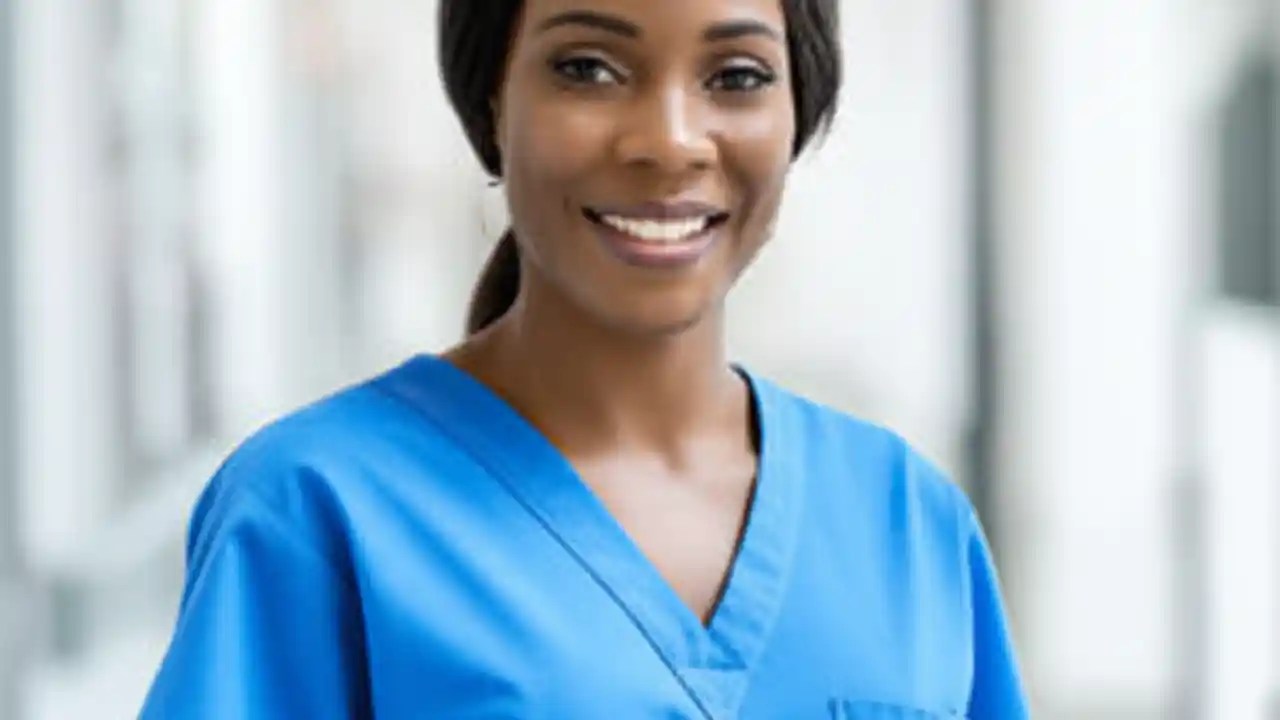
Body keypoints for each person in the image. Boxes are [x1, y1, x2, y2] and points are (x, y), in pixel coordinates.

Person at [141, 1, 1029, 718]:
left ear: (798, 111)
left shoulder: (907, 521)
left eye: (737, 76)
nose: (671, 141)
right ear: (492, 100)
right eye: (588, 69)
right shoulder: (317, 508)